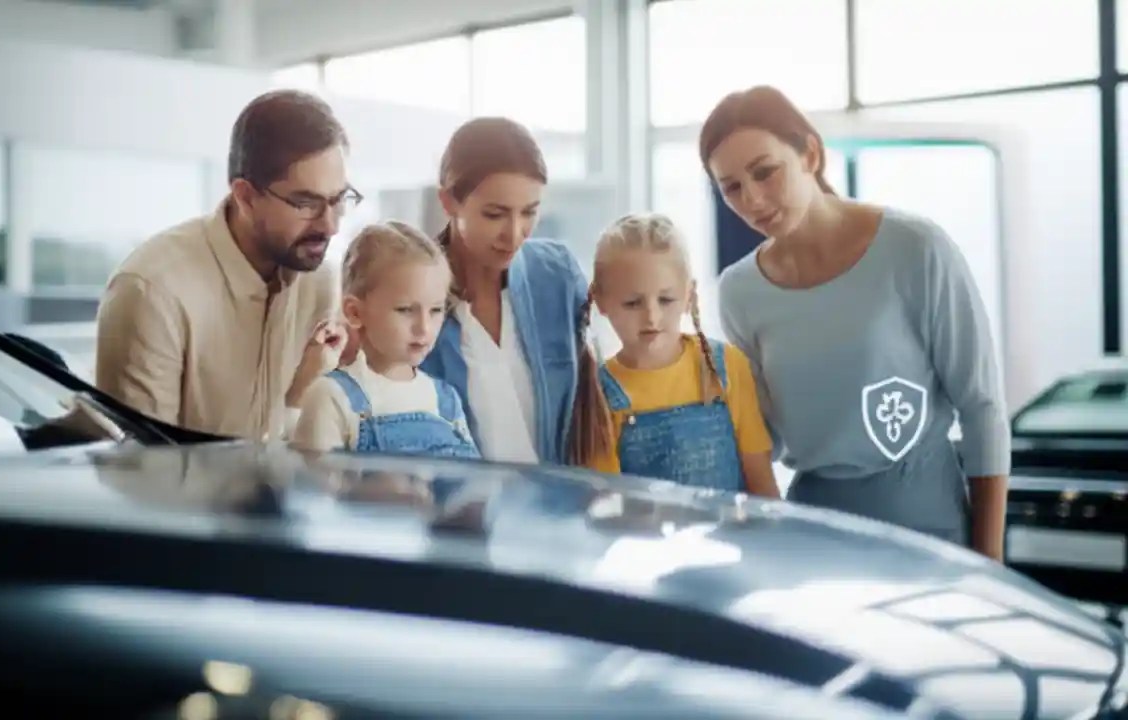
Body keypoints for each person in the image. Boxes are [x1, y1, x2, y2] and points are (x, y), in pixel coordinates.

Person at [704, 85, 1009, 558]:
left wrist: (991, 565)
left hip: (930, 528)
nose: (753, 200)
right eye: (732, 188)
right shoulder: (739, 291)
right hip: (815, 535)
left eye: (765, 172)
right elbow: (760, 434)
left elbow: (982, 407)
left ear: (811, 154)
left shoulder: (916, 249)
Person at [94, 90, 355, 441]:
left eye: (339, 200)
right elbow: (142, 471)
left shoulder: (320, 281)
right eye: (305, 203)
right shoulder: (152, 289)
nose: (331, 226)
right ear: (245, 196)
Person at [569, 212, 780, 498]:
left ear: (689, 295)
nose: (652, 317)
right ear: (601, 300)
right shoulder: (599, 394)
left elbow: (762, 482)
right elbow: (609, 504)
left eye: (666, 300)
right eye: (632, 303)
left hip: (730, 540)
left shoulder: (727, 366)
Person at [419, 117, 589, 466]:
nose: (515, 234)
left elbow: (594, 401)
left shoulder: (557, 277)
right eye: (495, 214)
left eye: (529, 212)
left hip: (558, 509)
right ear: (449, 201)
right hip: (457, 514)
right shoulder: (410, 294)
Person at [291, 221, 478, 459]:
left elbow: (474, 485)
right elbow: (313, 490)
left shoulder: (447, 400)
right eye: (405, 310)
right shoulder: (331, 396)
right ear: (355, 313)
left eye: (436, 310)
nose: (424, 327)